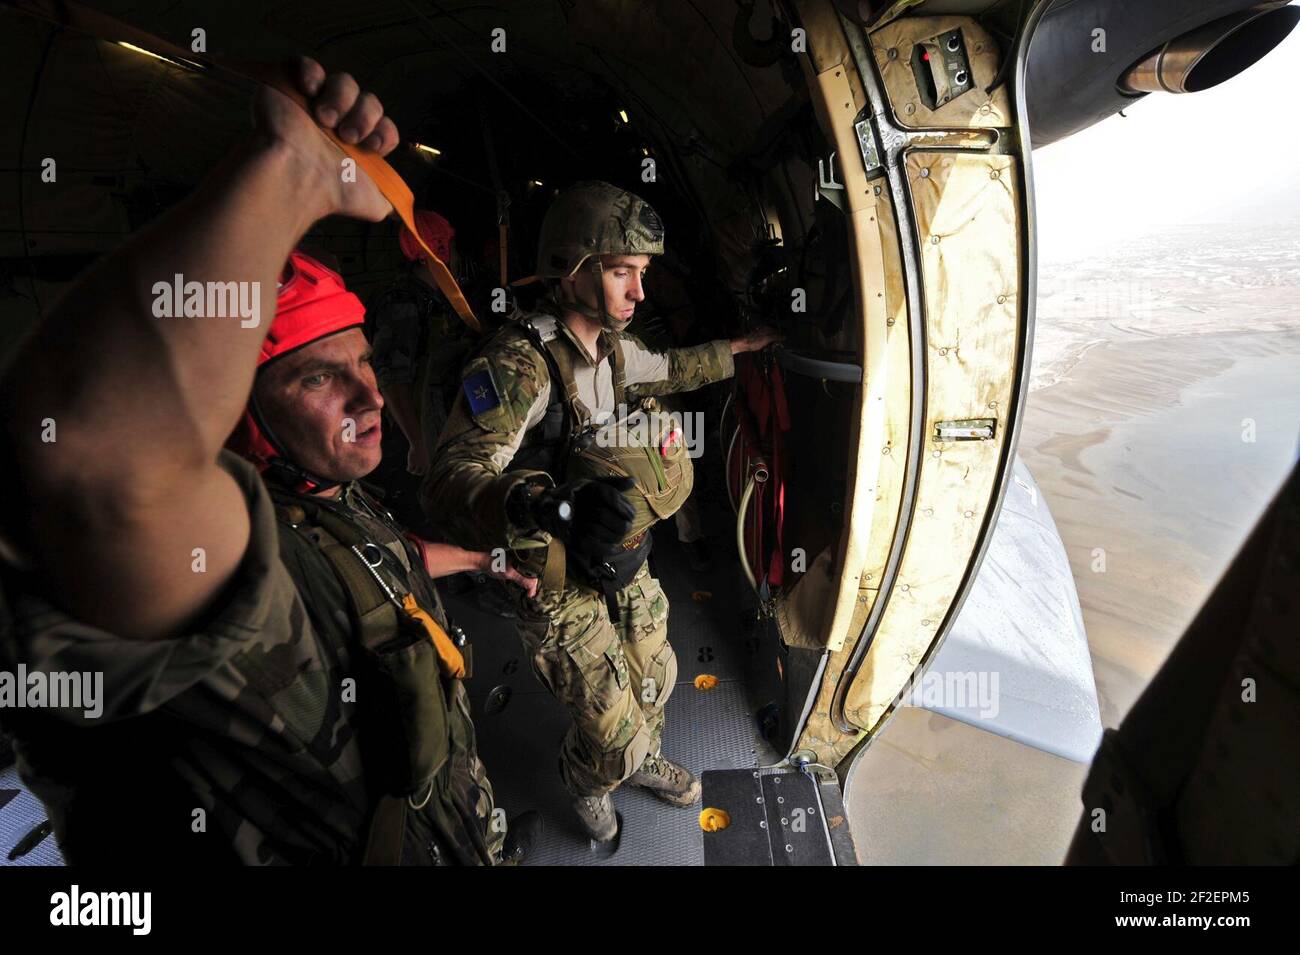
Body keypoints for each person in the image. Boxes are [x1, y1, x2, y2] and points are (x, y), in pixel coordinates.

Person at [0, 57, 536, 865]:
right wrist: (286, 174)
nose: (370, 399)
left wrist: (476, 557)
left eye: (364, 365)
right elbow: (89, 466)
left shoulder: (328, 491)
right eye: (317, 377)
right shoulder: (226, 554)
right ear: (239, 410)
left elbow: (370, 569)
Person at [423, 180, 780, 842]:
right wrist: (545, 503)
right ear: (571, 267)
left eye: (641, 274)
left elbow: (669, 367)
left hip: (616, 558)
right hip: (553, 577)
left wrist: (738, 352)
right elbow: (450, 481)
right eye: (623, 272)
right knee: (607, 732)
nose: (638, 292)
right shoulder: (516, 364)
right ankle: (590, 780)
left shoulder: (612, 348)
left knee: (658, 673)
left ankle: (636, 759)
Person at [369, 209, 472, 477]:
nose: (456, 255)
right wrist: (417, 442)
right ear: (435, 251)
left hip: (435, 424)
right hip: (413, 437)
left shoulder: (436, 298)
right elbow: (392, 378)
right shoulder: (403, 303)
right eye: (448, 246)